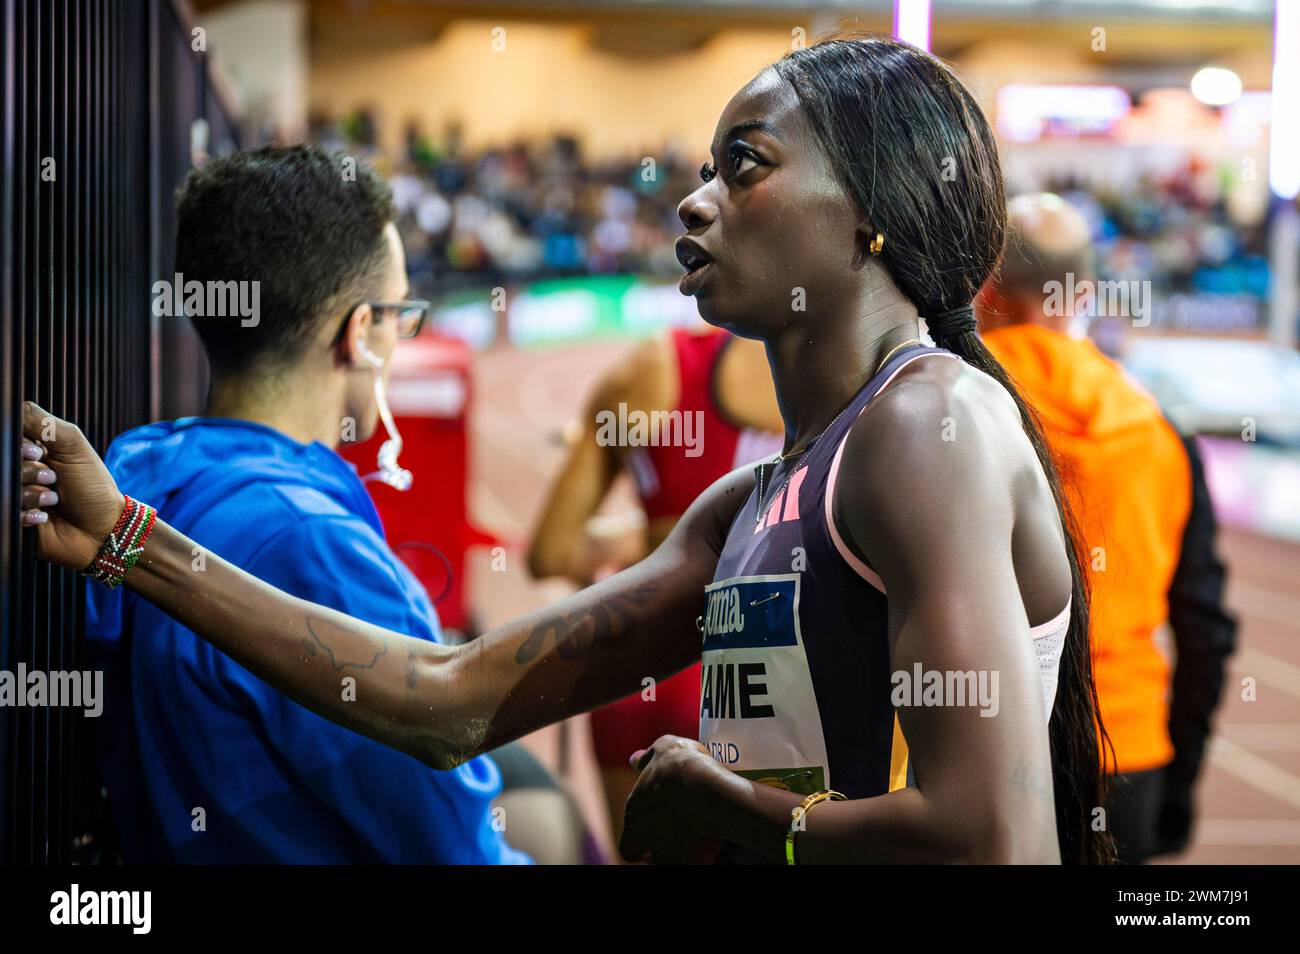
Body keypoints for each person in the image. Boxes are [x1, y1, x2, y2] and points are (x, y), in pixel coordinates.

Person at [23, 34, 1114, 863]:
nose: (692, 201)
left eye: (745, 167)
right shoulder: (751, 504)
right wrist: (124, 538)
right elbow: (444, 699)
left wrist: (737, 812)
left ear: (874, 212)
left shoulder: (928, 427)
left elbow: (992, 837)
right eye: (705, 166)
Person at [72, 144, 539, 864]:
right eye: (399, 315)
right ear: (359, 333)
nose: (400, 334)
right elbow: (454, 848)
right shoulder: (309, 543)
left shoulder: (142, 467)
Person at [975, 193, 1237, 863]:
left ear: (983, 287)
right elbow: (1204, 626)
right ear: (1082, 293)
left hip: (981, 754)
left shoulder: (953, 408)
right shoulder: (1158, 429)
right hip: (1127, 753)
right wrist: (1179, 779)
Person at [527, 325, 781, 843]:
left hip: (626, 668)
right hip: (744, 672)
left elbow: (549, 552)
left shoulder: (649, 364)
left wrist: (641, 537)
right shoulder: (819, 365)